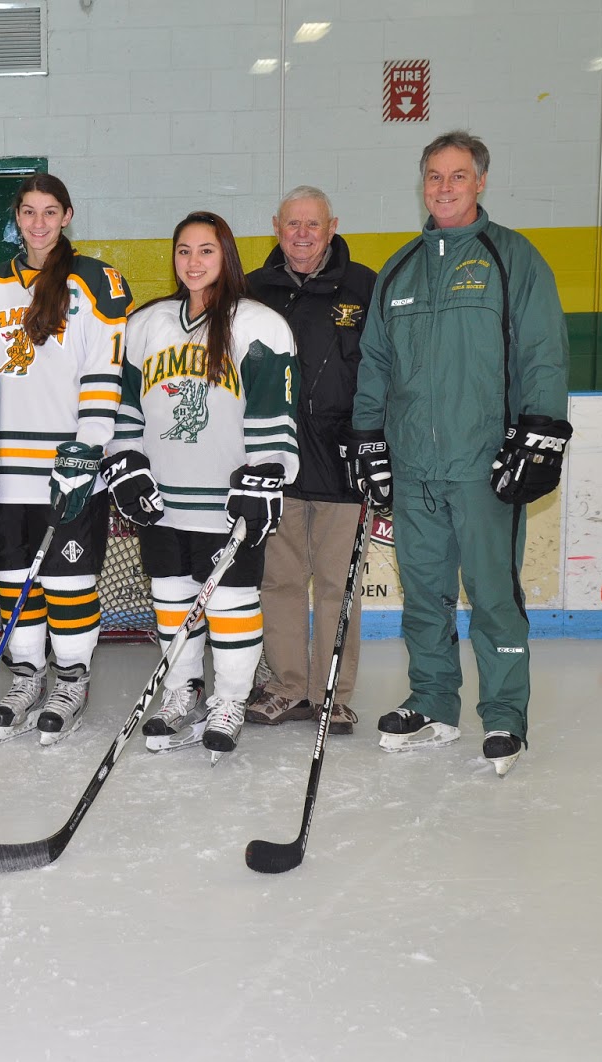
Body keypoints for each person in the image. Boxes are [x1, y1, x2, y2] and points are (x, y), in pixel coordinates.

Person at [348, 131, 570, 776]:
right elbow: (376, 365)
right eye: (434, 176)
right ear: (423, 184)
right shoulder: (399, 268)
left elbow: (541, 350)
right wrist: (368, 439)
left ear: (480, 183)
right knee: (423, 593)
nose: (444, 187)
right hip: (415, 465)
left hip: (484, 465)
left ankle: (503, 715)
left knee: (493, 594)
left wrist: (541, 429)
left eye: (458, 176)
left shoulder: (513, 258)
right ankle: (434, 702)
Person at [105, 211, 298, 758]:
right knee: (171, 601)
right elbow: (125, 412)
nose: (194, 261)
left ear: (226, 255)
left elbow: (274, 412)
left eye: (206, 250)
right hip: (164, 498)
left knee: (232, 603)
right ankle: (179, 691)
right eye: (184, 250)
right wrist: (126, 461)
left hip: (227, 499)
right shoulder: (146, 325)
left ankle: (230, 699)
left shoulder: (259, 324)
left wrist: (267, 473)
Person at [0, 174, 132, 745]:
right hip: (10, 467)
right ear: (17, 217)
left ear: (67, 215)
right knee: (14, 581)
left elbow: (104, 372)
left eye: (49, 212)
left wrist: (87, 450)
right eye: (28, 212)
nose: (38, 223)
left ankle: (71, 677)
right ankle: (27, 672)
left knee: (69, 581)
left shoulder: (95, 281)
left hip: (68, 464)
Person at [244, 187, 377, 735]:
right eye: (292, 223)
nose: (302, 233)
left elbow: (382, 371)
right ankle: (288, 686)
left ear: (332, 225)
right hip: (278, 464)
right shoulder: (252, 291)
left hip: (343, 467)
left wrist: (374, 441)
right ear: (276, 226)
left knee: (335, 586)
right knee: (278, 582)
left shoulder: (365, 287)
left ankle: (333, 695)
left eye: (313, 224)